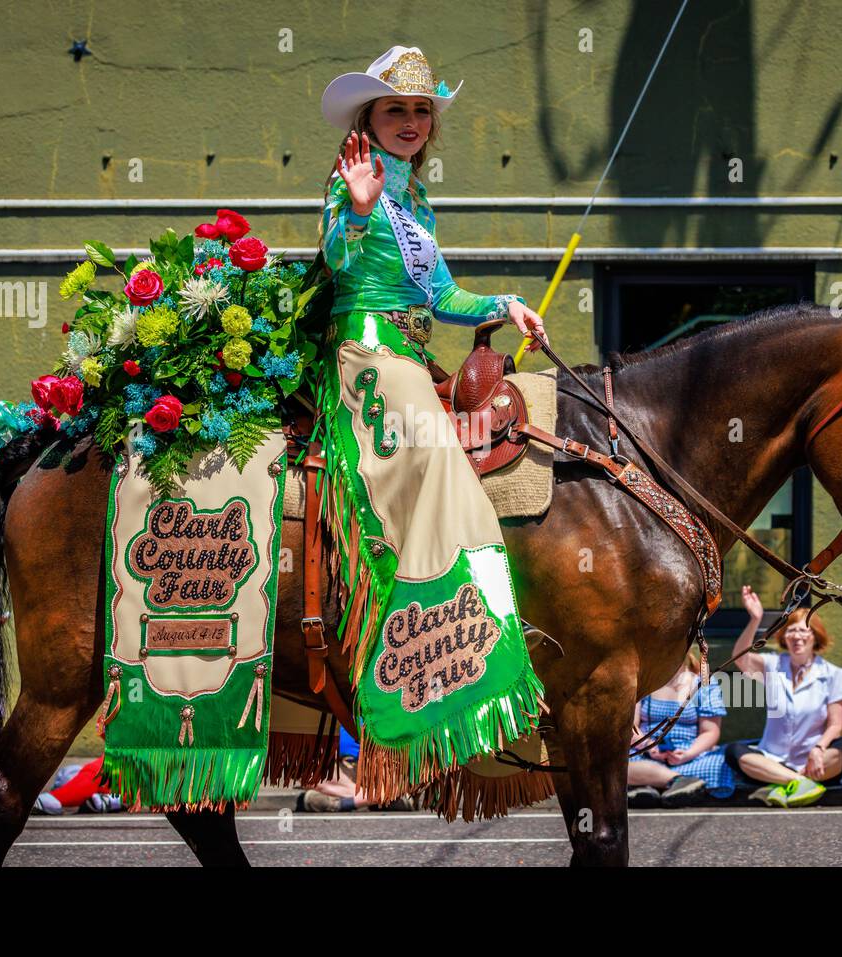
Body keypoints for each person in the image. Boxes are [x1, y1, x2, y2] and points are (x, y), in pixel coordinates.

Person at [312, 45, 549, 795]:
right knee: (443, 464)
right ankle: (443, 655)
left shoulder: (415, 199)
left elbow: (442, 297)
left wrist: (504, 305)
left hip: (413, 356)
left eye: (421, 111)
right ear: (369, 118)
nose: (411, 122)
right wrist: (353, 209)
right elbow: (334, 265)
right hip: (368, 354)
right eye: (396, 110)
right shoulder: (355, 181)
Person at [723, 585, 842, 808]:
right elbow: (740, 659)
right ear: (784, 637)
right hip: (773, 759)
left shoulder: (832, 674)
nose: (796, 636)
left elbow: (836, 725)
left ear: (815, 637)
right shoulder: (773, 665)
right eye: (791, 631)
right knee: (733, 752)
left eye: (803, 630)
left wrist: (818, 749)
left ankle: (783, 783)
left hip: (814, 761)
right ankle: (799, 782)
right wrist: (756, 619)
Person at [627, 644, 734, 808]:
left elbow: (710, 731)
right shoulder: (644, 681)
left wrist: (687, 754)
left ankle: (651, 784)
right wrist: (649, 746)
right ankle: (679, 782)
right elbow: (630, 727)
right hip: (646, 751)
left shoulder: (703, 682)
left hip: (689, 755)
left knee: (719, 764)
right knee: (619, 765)